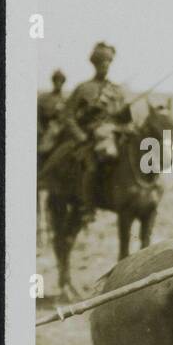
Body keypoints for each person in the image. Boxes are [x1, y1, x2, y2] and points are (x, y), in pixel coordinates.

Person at [60, 43, 132, 222]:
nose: (105, 65)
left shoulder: (117, 89)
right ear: (95, 64)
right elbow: (67, 116)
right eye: (101, 62)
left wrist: (124, 121)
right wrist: (81, 136)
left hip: (115, 136)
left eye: (108, 62)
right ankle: (88, 207)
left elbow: (126, 118)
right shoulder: (83, 88)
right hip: (89, 139)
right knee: (91, 167)